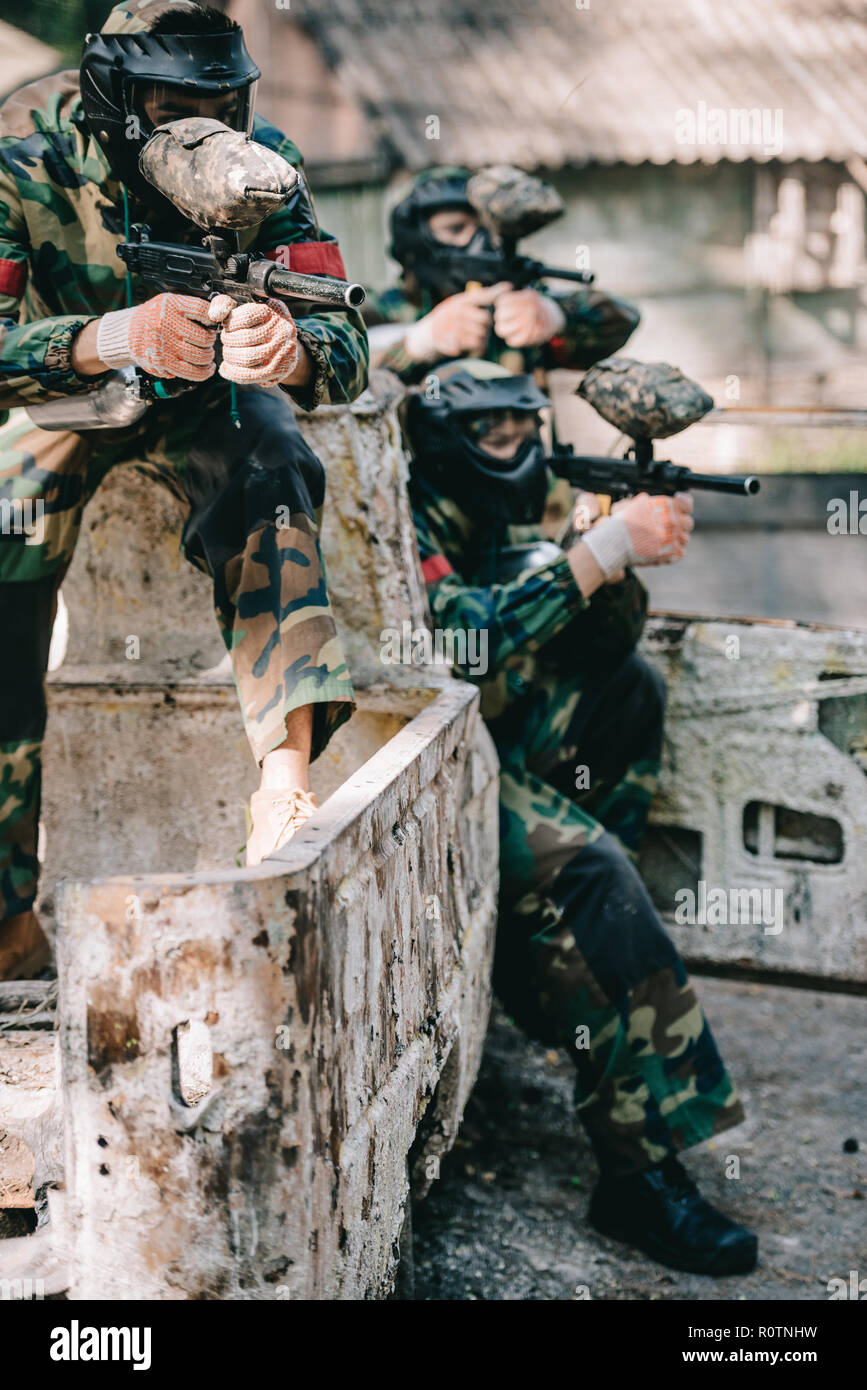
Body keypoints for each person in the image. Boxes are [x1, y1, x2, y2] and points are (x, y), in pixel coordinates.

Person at [0, 0, 369, 979]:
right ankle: (5, 914)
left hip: (208, 403)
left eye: (218, 101)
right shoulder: (24, 169)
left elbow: (346, 339)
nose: (199, 125)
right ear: (118, 96)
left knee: (276, 458)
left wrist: (289, 350)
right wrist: (108, 337)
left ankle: (283, 781)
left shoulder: (265, 172)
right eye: (172, 105)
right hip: (61, 402)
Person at [404, 359, 758, 1276]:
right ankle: (636, 1176)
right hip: (420, 760)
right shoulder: (405, 510)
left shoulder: (534, 500)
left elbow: (601, 640)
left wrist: (612, 549)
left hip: (490, 733)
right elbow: (458, 638)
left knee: (628, 688)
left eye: (528, 430)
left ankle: (576, 960)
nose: (518, 451)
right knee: (594, 869)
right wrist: (596, 555)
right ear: (447, 443)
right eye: (496, 438)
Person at [365, 166, 640, 381]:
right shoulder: (378, 311)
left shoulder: (516, 297)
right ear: (413, 239)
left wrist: (556, 317)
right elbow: (340, 376)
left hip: (521, 451)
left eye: (487, 228)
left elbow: (623, 318)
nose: (481, 241)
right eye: (457, 229)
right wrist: (420, 343)